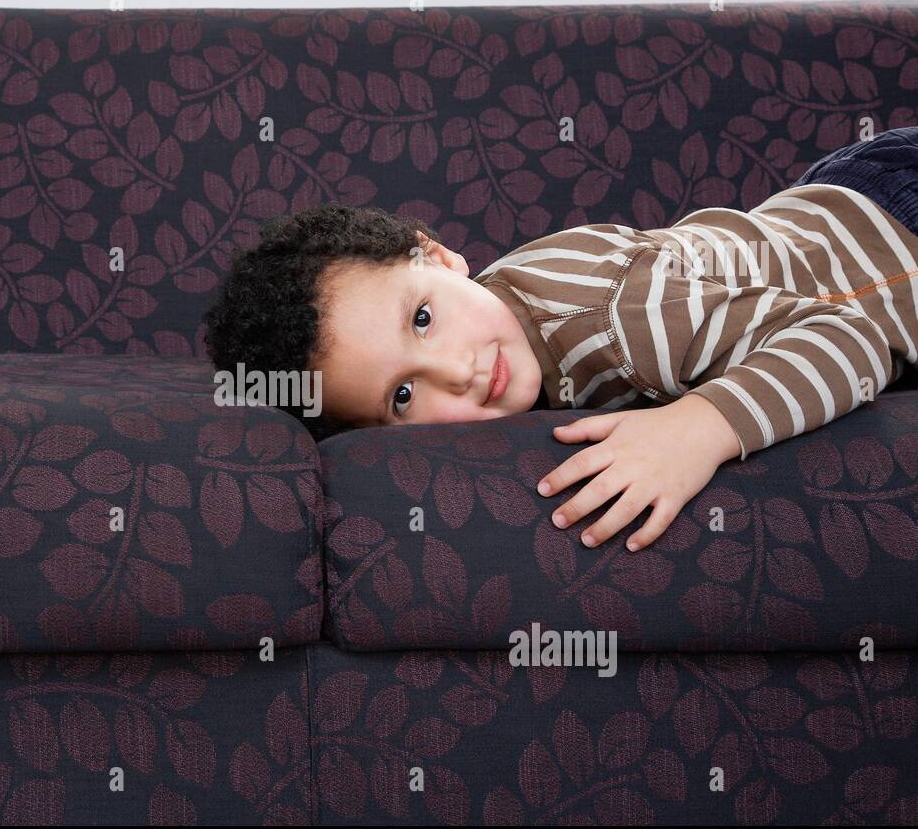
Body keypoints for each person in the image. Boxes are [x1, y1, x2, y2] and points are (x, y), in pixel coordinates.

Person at [203, 126, 918, 552]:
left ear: (440, 256)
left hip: (895, 231)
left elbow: (850, 335)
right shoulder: (504, 313)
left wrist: (696, 430)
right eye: (401, 394)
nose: (455, 368)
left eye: (423, 318)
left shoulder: (618, 321)